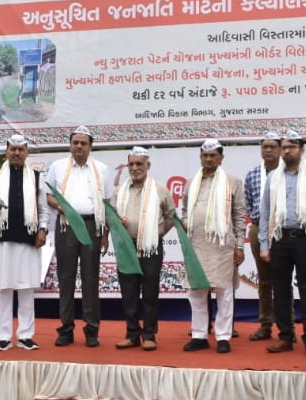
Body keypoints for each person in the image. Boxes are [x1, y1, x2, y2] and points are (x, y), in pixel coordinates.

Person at [258, 130, 306, 357]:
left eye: (292, 147)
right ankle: (286, 337)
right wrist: (264, 245)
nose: (287, 151)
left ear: (302, 150)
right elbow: (266, 212)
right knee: (280, 290)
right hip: (279, 239)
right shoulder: (273, 177)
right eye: (285, 147)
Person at [46, 126, 113, 347]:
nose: (79, 146)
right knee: (65, 279)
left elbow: (107, 204)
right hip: (67, 225)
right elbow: (49, 198)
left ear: (90, 147)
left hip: (92, 225)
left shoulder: (102, 169)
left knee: (91, 279)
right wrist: (65, 209)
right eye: (75, 142)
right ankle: (66, 329)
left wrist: (105, 234)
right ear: (70, 145)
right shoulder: (57, 167)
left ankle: (91, 330)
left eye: (83, 143)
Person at [181, 139, 246, 354]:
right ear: (200, 157)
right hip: (197, 245)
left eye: (213, 155)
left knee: (223, 291)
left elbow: (239, 216)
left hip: (222, 246)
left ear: (221, 158)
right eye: (205, 155)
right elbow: (184, 210)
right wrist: (185, 223)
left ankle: (223, 336)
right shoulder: (191, 182)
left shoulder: (232, 182)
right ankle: (199, 335)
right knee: (197, 291)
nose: (208, 159)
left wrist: (239, 246)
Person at [0, 134, 49, 351]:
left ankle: (25, 336)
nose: (16, 153)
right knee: (3, 289)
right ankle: (3, 337)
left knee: (26, 289)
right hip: (3, 240)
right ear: (6, 151)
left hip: (29, 240)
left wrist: (42, 229)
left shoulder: (36, 177)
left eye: (21, 149)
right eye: (12, 149)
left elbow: (43, 209)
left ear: (26, 152)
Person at [113, 147, 175, 351]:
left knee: (150, 292)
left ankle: (149, 335)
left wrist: (156, 233)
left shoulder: (159, 189)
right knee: (128, 292)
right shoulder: (119, 191)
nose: (135, 168)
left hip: (150, 247)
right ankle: (132, 334)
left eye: (139, 164)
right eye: (131, 164)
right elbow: (110, 215)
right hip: (126, 247)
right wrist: (116, 219)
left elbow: (170, 216)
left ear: (148, 166)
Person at [244, 132, 282, 342]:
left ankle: (287, 327)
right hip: (259, 228)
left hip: (283, 231)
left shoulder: (289, 173)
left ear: (279, 149)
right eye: (264, 147)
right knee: (265, 280)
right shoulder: (252, 175)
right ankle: (266, 324)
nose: (268, 150)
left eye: (272, 147)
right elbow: (249, 203)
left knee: (283, 280)